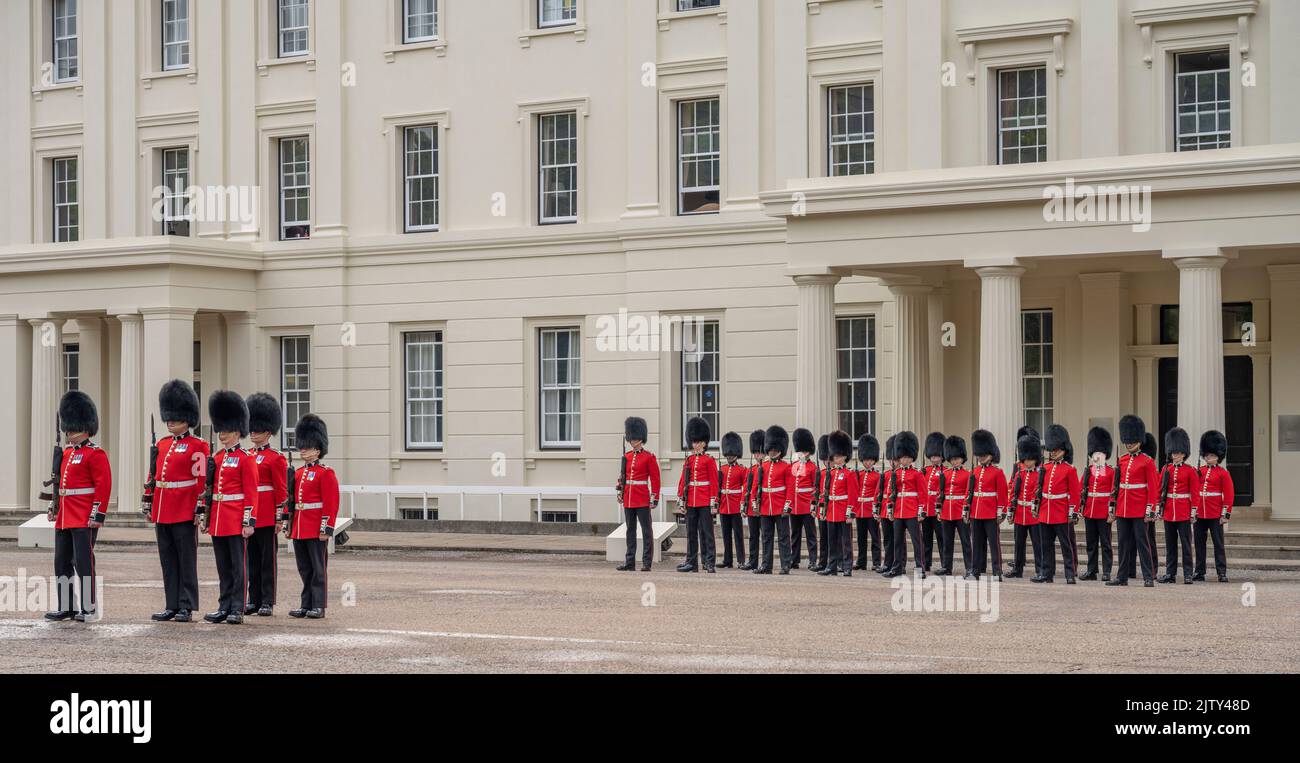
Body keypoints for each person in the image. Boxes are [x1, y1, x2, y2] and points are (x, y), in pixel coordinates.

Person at [45, 390, 111, 623]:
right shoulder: (66, 454)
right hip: (65, 515)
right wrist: (54, 507)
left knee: (83, 563)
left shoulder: (95, 453)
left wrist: (97, 514)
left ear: (84, 427)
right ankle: (67, 607)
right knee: (61, 563)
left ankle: (89, 608)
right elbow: (59, 485)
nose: (68, 432)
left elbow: (103, 486)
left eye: (72, 428)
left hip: (83, 516)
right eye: (68, 428)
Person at [147, 380, 207, 623]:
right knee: (168, 561)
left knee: (186, 560)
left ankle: (186, 605)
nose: (170, 421)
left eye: (175, 417)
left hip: (184, 509)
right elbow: (154, 476)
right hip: (163, 509)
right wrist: (149, 501)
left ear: (187, 418)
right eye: (168, 417)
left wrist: (200, 509)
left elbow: (201, 481)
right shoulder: (162, 444)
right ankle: (171, 604)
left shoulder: (198, 445)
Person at [203, 390, 259, 625]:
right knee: (223, 567)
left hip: (236, 519)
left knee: (238, 566)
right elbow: (210, 491)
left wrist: (249, 521)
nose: (222, 434)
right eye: (220, 430)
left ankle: (237, 607)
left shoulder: (246, 458)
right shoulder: (217, 458)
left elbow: (251, 492)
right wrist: (206, 518)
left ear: (237, 431)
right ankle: (224, 606)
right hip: (218, 519)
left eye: (226, 431)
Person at [287, 414, 339, 618]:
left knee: (318, 569)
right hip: (300, 527)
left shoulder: (325, 473)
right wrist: (289, 525)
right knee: (304, 569)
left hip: (315, 526)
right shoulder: (298, 473)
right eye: (301, 446)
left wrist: (326, 528)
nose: (302, 450)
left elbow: (330, 504)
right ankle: (306, 604)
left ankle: (318, 605)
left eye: (307, 447)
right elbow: (292, 501)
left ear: (317, 450)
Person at [245, 393, 288, 615]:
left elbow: (281, 490)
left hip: (267, 515)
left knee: (267, 561)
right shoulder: (247, 455)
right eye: (252, 429)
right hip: (250, 515)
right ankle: (253, 599)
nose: (253, 433)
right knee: (251, 559)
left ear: (268, 432)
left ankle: (267, 601)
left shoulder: (276, 457)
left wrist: (280, 517)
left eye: (258, 430)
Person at [1107, 415, 1158, 588]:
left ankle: (1148, 576)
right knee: (1123, 544)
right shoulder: (1122, 460)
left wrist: (1150, 509)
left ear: (1139, 440)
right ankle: (1122, 576)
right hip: (1123, 507)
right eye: (1127, 440)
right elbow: (1116, 486)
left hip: (1139, 509)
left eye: (1132, 440)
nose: (1128, 443)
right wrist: (1112, 506)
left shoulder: (1147, 461)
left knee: (1143, 543)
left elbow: (1153, 488)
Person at [1037, 425, 1080, 584]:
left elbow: (1074, 494)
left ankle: (1070, 573)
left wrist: (1072, 512)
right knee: (1046, 545)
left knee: (1065, 545)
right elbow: (1039, 489)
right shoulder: (1045, 468)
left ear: (1064, 450)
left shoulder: (1069, 469)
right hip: (1045, 511)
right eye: (1052, 450)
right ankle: (1047, 573)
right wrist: (1037, 506)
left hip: (1061, 512)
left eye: (1056, 449)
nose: (1053, 452)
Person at [616, 417, 660, 572]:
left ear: (640, 438)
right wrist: (620, 490)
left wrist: (654, 497)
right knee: (630, 531)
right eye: (630, 438)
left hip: (642, 498)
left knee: (646, 531)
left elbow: (655, 479)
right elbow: (622, 476)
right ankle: (630, 562)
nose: (631, 441)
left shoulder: (649, 457)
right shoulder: (627, 456)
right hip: (628, 497)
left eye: (633, 438)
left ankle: (647, 562)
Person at [677, 417, 719, 574]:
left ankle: (709, 562)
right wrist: (681, 499)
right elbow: (683, 481)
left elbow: (714, 482)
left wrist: (714, 502)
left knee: (707, 533)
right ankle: (691, 562)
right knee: (691, 533)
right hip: (691, 501)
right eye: (694, 442)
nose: (696, 445)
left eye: (699, 442)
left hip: (704, 501)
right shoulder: (689, 460)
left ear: (704, 443)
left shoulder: (709, 460)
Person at [1157, 427, 1199, 585]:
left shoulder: (1190, 471)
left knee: (1186, 545)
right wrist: (1158, 509)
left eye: (1178, 452)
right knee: (1170, 545)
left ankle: (1188, 574)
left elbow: (1195, 493)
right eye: (1173, 452)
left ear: (1183, 453)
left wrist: (1193, 512)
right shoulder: (1165, 469)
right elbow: (1160, 490)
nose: (1175, 455)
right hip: (1169, 511)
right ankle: (1170, 573)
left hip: (1183, 511)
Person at [965, 430, 1006, 581]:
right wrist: (966, 509)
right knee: (976, 543)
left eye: (984, 454)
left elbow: (1002, 494)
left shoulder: (997, 472)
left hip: (990, 512)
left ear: (991, 454)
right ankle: (975, 571)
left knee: (994, 544)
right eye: (979, 454)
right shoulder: (974, 472)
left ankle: (997, 571)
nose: (981, 457)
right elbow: (969, 492)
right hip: (976, 512)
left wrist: (1001, 511)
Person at [883, 431, 925, 578]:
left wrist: (921, 511)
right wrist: (890, 509)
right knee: (897, 541)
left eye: (907, 457)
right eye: (902, 457)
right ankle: (897, 567)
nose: (904, 460)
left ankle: (920, 568)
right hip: (898, 511)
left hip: (912, 511)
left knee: (916, 541)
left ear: (912, 458)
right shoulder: (896, 473)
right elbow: (891, 493)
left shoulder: (917, 474)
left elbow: (923, 493)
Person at [754, 426, 795, 575]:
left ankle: (785, 565)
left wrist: (787, 506)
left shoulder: (786, 467)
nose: (772, 451)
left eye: (774, 449)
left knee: (783, 537)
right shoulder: (763, 466)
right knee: (766, 537)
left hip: (780, 506)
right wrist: (755, 504)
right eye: (770, 449)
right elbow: (756, 487)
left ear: (780, 450)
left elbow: (790, 488)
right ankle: (766, 565)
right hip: (766, 506)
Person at [1194, 430, 1234, 583]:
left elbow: (1228, 495)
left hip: (1215, 513)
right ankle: (1199, 571)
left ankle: (1221, 572)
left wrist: (1225, 514)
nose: (1208, 458)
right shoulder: (1199, 471)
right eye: (1206, 455)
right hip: (1200, 513)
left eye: (1211, 455)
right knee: (1199, 544)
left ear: (1218, 456)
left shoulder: (1223, 473)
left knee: (1218, 544)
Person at [818, 431, 858, 576]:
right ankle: (832, 566)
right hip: (831, 511)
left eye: (839, 456)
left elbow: (853, 495)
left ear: (845, 456)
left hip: (843, 511)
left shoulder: (849, 473)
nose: (836, 458)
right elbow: (825, 493)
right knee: (832, 541)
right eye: (835, 456)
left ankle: (847, 566)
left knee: (846, 542)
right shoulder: (831, 473)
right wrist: (823, 510)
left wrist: (850, 513)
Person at [1079, 427, 1116, 582]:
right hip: (1090, 511)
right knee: (1091, 543)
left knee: (1106, 543)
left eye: (1099, 453)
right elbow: (1081, 489)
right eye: (1094, 453)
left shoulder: (1111, 471)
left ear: (1105, 454)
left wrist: (1112, 512)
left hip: (1103, 512)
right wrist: (1080, 508)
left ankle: (1107, 571)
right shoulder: (1088, 471)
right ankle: (1092, 570)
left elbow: (1113, 493)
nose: (1097, 456)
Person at [1007, 435, 1044, 580]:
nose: (1028, 462)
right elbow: (1013, 494)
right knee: (1019, 544)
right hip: (1020, 513)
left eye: (1031, 459)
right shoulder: (1019, 474)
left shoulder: (1040, 474)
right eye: (1026, 460)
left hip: (1033, 514)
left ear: (1035, 459)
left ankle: (1040, 569)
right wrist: (1011, 511)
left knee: (1037, 544)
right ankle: (1017, 569)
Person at [936, 435, 971, 576]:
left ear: (962, 459)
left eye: (957, 458)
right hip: (946, 511)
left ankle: (969, 567)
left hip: (960, 511)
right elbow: (940, 493)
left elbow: (968, 494)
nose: (955, 461)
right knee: (947, 542)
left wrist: (966, 510)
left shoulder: (968, 474)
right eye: (952, 459)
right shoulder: (945, 474)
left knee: (965, 542)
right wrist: (938, 509)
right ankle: (946, 567)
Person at [788, 428, 819, 570]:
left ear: (809, 452)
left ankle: (813, 560)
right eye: (801, 451)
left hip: (806, 505)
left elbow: (815, 488)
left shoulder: (813, 467)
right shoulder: (794, 466)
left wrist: (813, 505)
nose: (803, 453)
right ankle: (794, 559)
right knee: (795, 534)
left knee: (810, 535)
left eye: (806, 451)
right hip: (795, 505)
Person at [716, 432, 748, 569]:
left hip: (735, 506)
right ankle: (727, 560)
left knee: (738, 535)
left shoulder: (742, 469)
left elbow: (745, 488)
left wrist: (742, 503)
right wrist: (717, 503)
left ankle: (741, 560)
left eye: (731, 453)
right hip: (724, 505)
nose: (729, 456)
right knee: (726, 535)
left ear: (736, 453)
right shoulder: (722, 469)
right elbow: (717, 487)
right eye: (727, 454)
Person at [853, 434, 883, 571]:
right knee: (861, 538)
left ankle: (876, 562)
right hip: (860, 510)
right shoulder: (858, 474)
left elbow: (878, 494)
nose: (868, 463)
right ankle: (861, 561)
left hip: (871, 510)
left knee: (875, 538)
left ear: (874, 460)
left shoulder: (878, 476)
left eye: (870, 460)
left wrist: (877, 510)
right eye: (866, 460)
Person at [739, 430, 765, 571]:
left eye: (759, 453)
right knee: (753, 536)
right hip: (751, 508)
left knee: (765, 537)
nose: (757, 456)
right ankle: (752, 561)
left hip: (763, 507)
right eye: (755, 453)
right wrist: (743, 505)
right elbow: (746, 489)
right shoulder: (751, 469)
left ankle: (765, 562)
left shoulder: (766, 468)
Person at [920, 432, 946, 572]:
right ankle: (926, 562)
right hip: (927, 509)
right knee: (926, 538)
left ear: (942, 456)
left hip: (937, 509)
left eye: (937, 456)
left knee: (941, 537)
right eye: (932, 456)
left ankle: (944, 563)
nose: (934, 459)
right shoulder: (925, 471)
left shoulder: (945, 471)